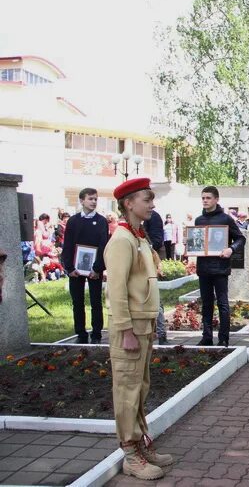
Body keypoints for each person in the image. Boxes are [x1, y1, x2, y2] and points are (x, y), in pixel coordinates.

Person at [104, 177, 173, 480]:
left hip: (142, 325)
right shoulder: (121, 240)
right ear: (129, 203)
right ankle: (130, 454)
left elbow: (144, 284)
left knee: (140, 388)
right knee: (128, 391)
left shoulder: (139, 237)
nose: (152, 204)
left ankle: (142, 444)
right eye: (147, 199)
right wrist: (126, 331)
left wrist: (150, 325)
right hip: (129, 329)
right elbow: (116, 291)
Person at [195, 186, 246, 347]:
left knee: (223, 303)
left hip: (220, 268)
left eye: (208, 198)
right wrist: (191, 245)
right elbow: (198, 242)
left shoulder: (226, 219)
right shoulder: (198, 220)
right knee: (206, 303)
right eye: (203, 198)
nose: (205, 200)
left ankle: (223, 338)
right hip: (203, 268)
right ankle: (207, 337)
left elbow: (240, 239)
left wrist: (231, 249)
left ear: (216, 199)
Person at [61, 188, 109, 344]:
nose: (94, 201)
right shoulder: (73, 221)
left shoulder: (101, 221)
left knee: (96, 301)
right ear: (82, 200)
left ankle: (96, 334)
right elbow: (67, 245)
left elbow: (103, 245)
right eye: (90, 199)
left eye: (96, 199)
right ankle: (81, 333)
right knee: (78, 302)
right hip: (76, 269)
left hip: (94, 269)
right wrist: (69, 268)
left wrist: (97, 268)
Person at [145, 210, 168, 345]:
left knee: (155, 300)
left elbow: (157, 241)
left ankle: (161, 333)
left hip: (151, 263)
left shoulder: (153, 216)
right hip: (137, 265)